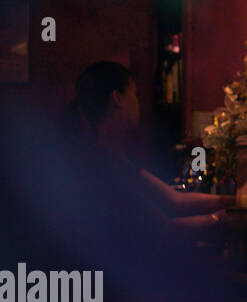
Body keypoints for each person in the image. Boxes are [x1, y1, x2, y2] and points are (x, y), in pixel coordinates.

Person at [64, 60, 231, 236]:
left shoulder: (111, 157)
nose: (138, 103)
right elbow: (161, 228)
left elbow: (175, 199)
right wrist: (219, 220)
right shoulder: (102, 165)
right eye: (134, 94)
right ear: (118, 98)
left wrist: (235, 201)